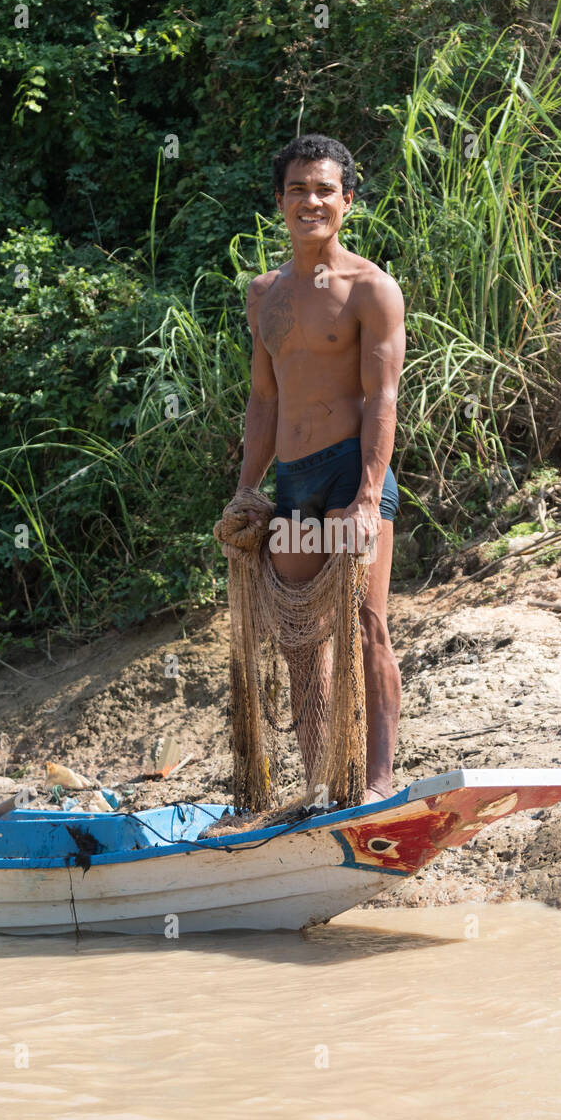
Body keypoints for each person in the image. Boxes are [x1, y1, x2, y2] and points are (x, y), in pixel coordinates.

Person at [233, 133, 405, 804]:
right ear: (279, 201)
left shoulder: (371, 289)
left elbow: (382, 398)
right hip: (294, 484)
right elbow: (264, 398)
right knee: (301, 638)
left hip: (348, 473)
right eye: (298, 189)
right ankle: (323, 788)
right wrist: (247, 490)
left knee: (365, 624)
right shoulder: (265, 293)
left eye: (325, 189)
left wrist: (365, 498)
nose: (312, 200)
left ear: (348, 201)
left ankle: (377, 785)